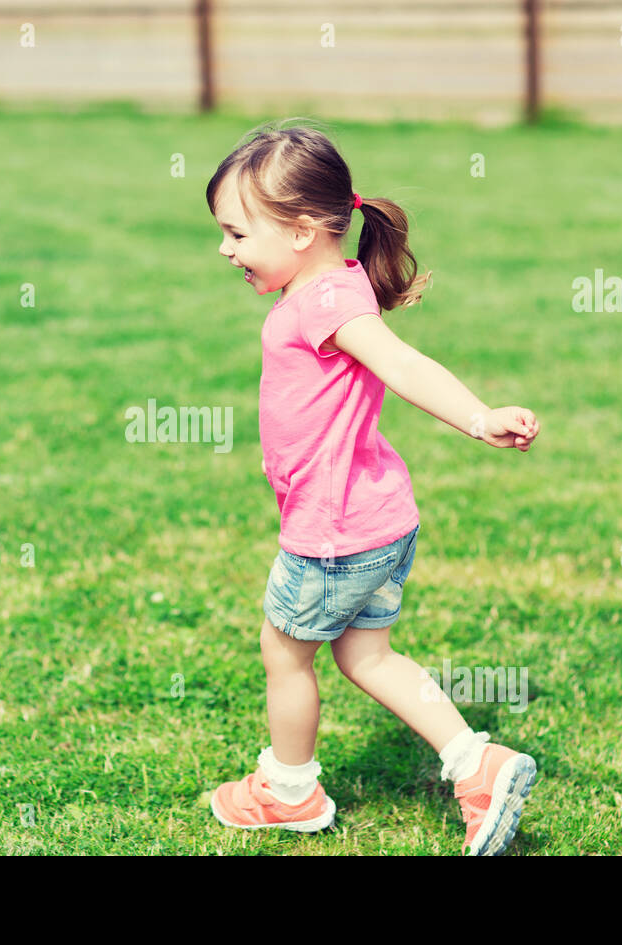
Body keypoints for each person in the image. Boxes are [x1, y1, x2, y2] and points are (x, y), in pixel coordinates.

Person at [205, 119, 541, 855]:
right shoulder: (336, 281)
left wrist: (479, 418)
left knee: (284, 650)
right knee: (368, 656)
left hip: (333, 533)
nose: (224, 249)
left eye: (236, 233)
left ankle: (288, 789)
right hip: (380, 521)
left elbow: (404, 365)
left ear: (301, 230)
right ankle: (475, 763)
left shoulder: (325, 302)